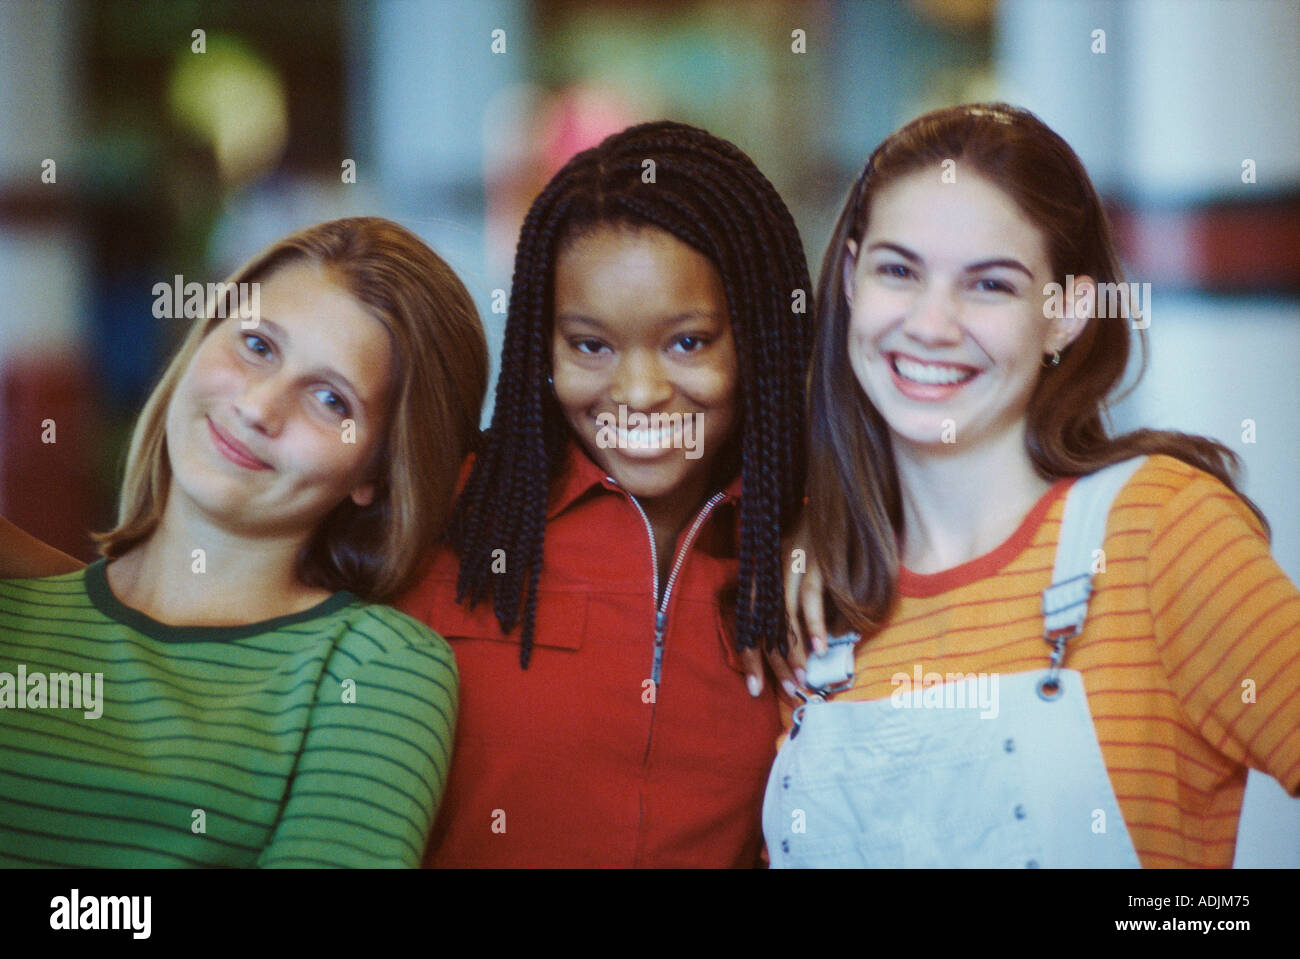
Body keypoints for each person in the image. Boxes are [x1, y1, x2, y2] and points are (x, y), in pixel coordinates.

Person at [772, 104, 1300, 868]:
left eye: (989, 285)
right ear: (852, 277)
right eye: (899, 270)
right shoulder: (816, 611)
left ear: (1065, 314)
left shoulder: (1161, 533)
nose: (932, 323)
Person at [0, 217, 488, 867]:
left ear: (376, 471)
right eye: (257, 345)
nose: (260, 407)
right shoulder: (17, 607)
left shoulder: (371, 669)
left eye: (330, 398)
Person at [397, 120, 814, 867]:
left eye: (688, 341)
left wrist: (815, 527)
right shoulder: (443, 521)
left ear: (753, 339)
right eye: (590, 345)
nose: (639, 393)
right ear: (540, 343)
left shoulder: (806, 558)